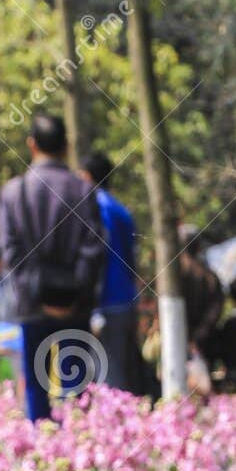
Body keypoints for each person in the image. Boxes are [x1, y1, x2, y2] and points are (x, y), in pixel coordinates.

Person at [0, 112, 107, 421]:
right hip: (76, 307)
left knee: (35, 387)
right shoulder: (84, 191)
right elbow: (93, 250)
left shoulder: (13, 192)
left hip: (32, 307)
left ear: (31, 145)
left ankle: (42, 458)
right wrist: (70, 296)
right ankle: (82, 454)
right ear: (67, 146)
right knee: (78, 386)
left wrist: (39, 294)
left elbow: (11, 254)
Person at [79, 152, 140, 394]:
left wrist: (93, 307)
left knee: (108, 376)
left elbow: (97, 259)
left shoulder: (94, 208)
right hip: (125, 299)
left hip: (105, 303)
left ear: (86, 176)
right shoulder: (120, 209)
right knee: (123, 371)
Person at [178, 225, 223, 363]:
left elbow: (216, 307)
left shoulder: (174, 277)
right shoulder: (210, 276)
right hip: (201, 339)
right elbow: (216, 308)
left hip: (186, 339)